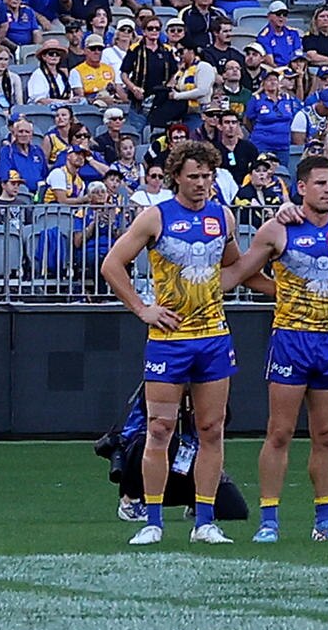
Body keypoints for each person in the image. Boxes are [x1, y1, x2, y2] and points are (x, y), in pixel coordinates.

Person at [106, 139, 247, 547]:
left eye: (207, 176)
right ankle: (152, 518)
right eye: (194, 176)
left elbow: (233, 265)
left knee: (211, 428)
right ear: (176, 178)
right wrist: (142, 308)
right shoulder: (155, 217)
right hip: (169, 340)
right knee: (160, 427)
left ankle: (205, 520)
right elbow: (112, 264)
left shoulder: (223, 217)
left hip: (214, 337)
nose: (202, 183)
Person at [248, 151, 328, 545]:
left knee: (327, 435)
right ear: (301, 187)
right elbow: (246, 273)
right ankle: (269, 520)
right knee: (279, 433)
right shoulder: (279, 228)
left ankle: (325, 520)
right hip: (291, 339)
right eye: (321, 184)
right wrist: (280, 292)